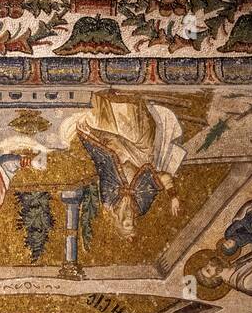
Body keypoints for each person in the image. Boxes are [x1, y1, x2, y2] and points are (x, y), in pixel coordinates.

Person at [75, 89, 187, 240]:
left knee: (113, 133)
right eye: (133, 224)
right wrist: (173, 196)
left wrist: (91, 136)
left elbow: (105, 166)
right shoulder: (141, 206)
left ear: (120, 222)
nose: (131, 221)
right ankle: (126, 94)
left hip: (117, 153)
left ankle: (102, 100)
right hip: (140, 157)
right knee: (139, 134)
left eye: (128, 225)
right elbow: (163, 178)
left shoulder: (109, 200)